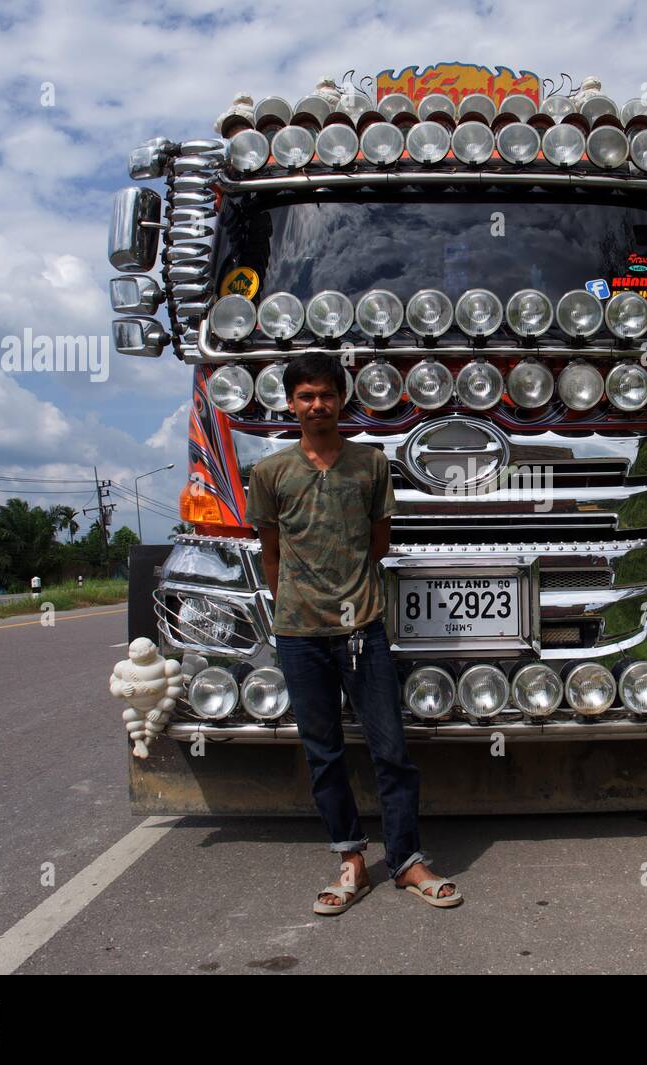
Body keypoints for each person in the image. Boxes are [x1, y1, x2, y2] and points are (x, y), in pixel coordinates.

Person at [245, 352, 462, 914]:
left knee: (391, 749)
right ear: (290, 404)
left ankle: (408, 861)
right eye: (306, 396)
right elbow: (272, 557)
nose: (317, 405)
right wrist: (298, 607)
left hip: (363, 629)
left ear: (343, 400)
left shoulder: (371, 464)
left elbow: (378, 543)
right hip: (298, 634)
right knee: (323, 754)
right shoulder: (270, 474)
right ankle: (351, 861)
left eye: (326, 395)